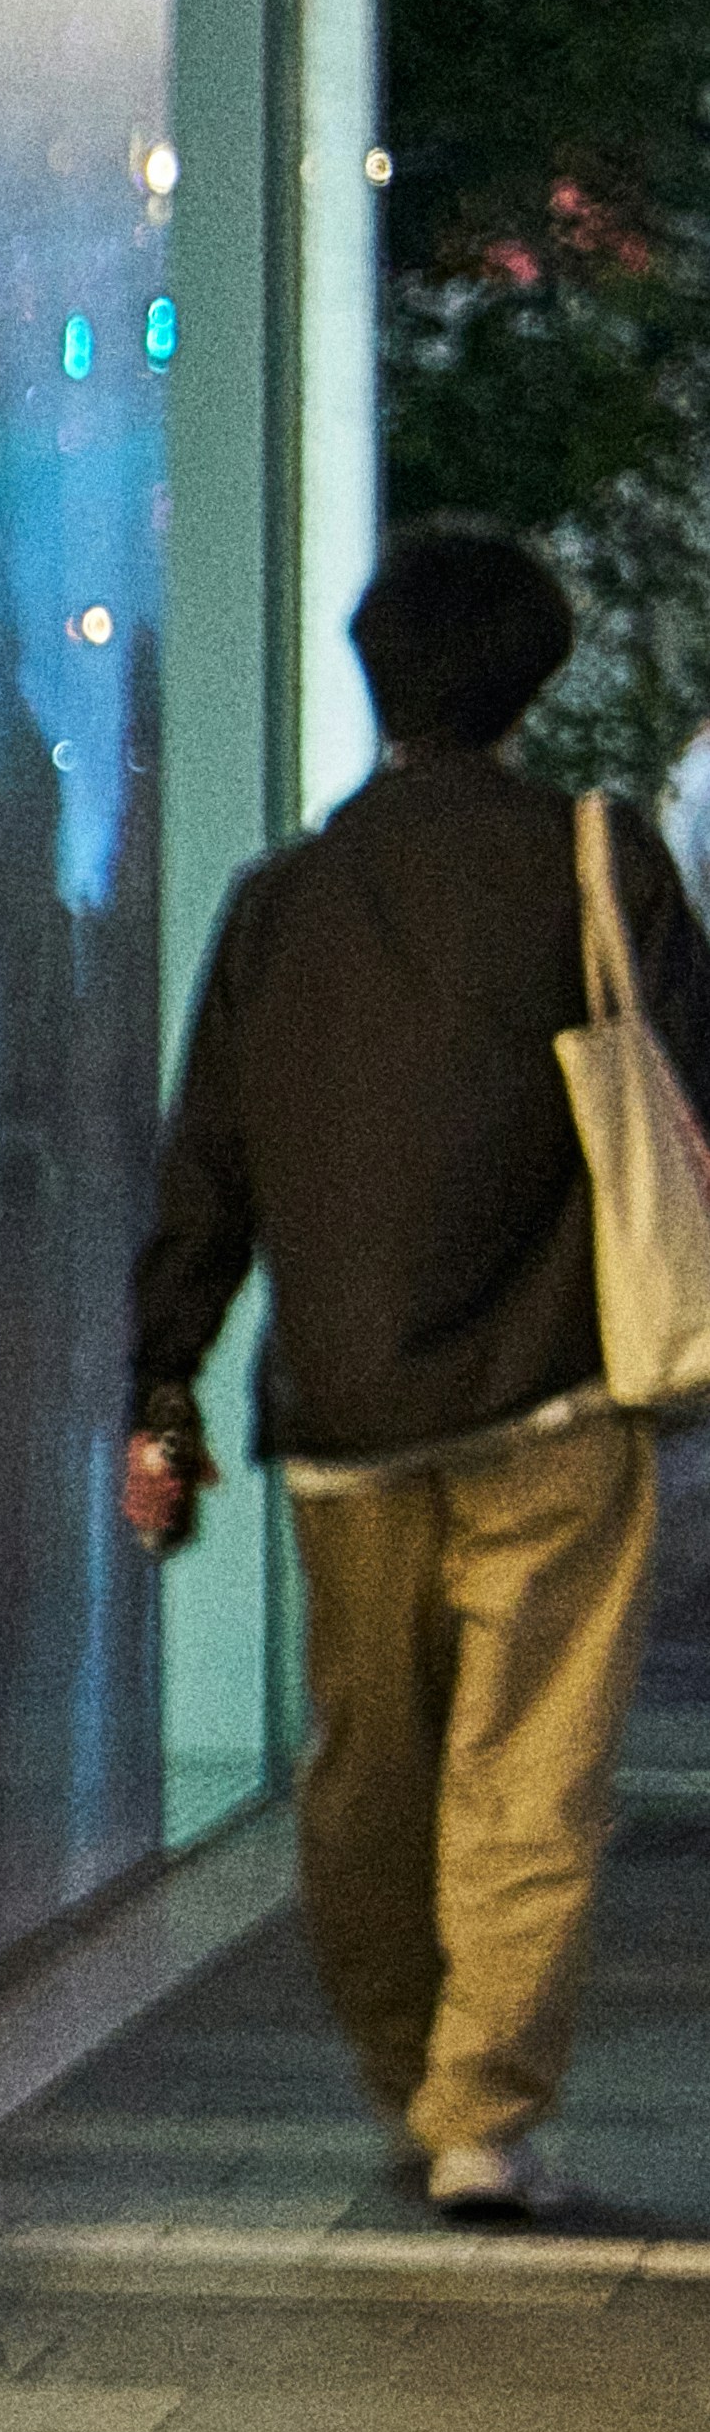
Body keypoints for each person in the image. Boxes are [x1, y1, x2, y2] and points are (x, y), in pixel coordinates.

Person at [127, 519, 710, 2219]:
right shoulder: (591, 858)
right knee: (528, 1768)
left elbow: (203, 1165)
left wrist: (161, 1379)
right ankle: (476, 2106)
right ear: (530, 679)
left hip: (341, 1413)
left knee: (362, 1770)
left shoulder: (276, 903)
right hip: (554, 1396)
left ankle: (416, 2065)